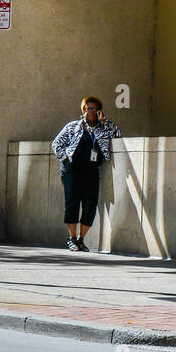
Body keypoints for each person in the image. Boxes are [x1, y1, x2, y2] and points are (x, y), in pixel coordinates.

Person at [51, 96, 121, 251]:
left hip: (91, 171)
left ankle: (80, 239)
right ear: (83, 110)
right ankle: (71, 239)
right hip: (72, 171)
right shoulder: (73, 126)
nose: (90, 111)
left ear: (99, 111)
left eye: (94, 109)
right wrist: (64, 159)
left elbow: (117, 136)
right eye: (87, 108)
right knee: (72, 203)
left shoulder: (103, 128)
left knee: (90, 204)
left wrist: (105, 122)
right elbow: (57, 143)